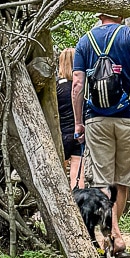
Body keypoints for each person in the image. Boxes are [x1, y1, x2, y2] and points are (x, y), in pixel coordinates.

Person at [72, 12, 130, 258]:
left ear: (99, 15)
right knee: (122, 180)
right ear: (121, 13)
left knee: (102, 180)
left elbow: (77, 84)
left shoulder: (85, 41)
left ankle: (113, 237)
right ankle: (116, 238)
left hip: (96, 118)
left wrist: (78, 122)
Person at [56, 47, 85, 189]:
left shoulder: (55, 86)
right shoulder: (82, 86)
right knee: (78, 174)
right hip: (79, 132)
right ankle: (78, 199)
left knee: (58, 174)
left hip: (61, 134)